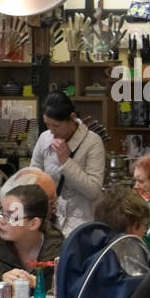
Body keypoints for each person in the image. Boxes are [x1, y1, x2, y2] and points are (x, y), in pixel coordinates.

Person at [29, 92, 106, 234]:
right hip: (50, 218)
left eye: (56, 126)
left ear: (72, 118)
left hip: (81, 221)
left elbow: (94, 190)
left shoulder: (92, 142)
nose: (51, 131)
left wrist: (65, 161)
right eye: (47, 125)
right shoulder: (45, 138)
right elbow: (34, 173)